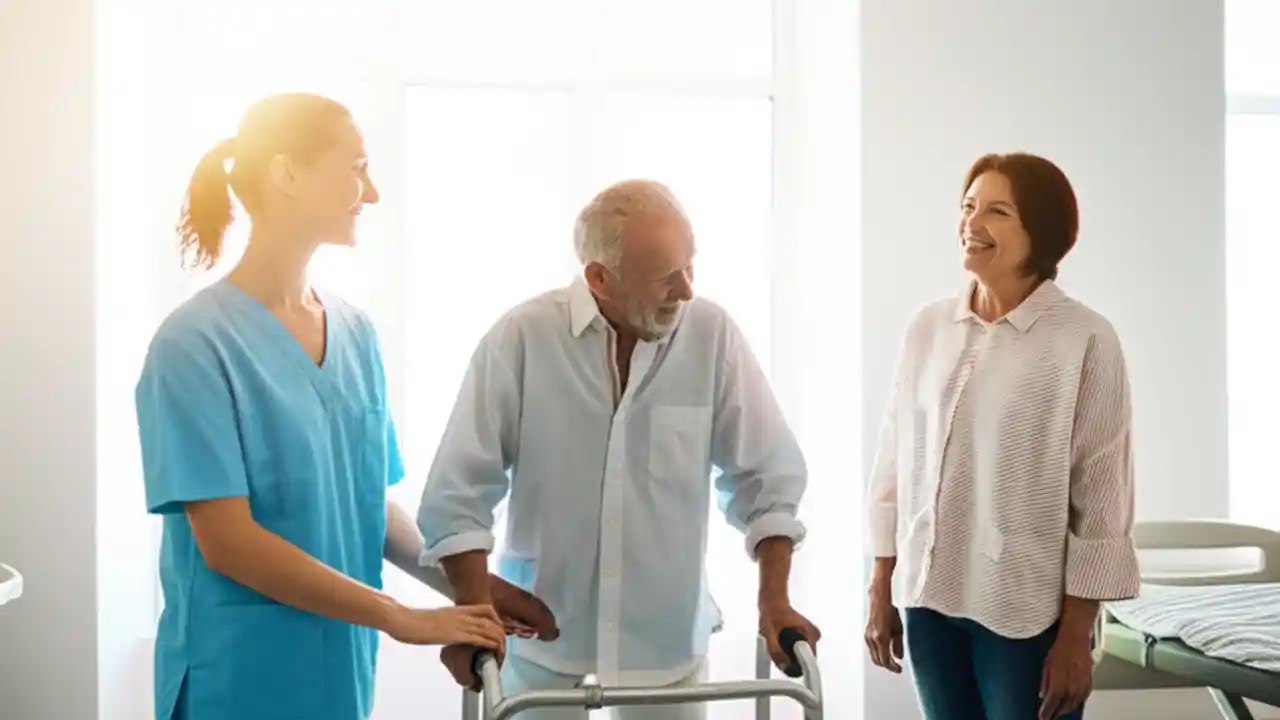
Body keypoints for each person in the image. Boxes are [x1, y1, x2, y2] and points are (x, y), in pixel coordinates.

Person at [135, 93, 556, 720]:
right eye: (358, 168)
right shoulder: (193, 346)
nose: (373, 192)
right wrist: (401, 617)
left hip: (339, 673)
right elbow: (228, 542)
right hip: (238, 676)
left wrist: (473, 589)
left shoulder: (355, 333)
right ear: (286, 174)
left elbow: (366, 506)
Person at [415, 179, 821, 720]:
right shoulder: (523, 337)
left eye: (689, 267)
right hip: (541, 641)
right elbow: (458, 492)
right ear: (599, 279)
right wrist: (474, 612)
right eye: (665, 277)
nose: (686, 290)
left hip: (665, 643)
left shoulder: (712, 335)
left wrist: (774, 600)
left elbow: (767, 477)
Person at [862, 152, 1142, 720]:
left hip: (1025, 613)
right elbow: (894, 461)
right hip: (927, 600)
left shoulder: (1085, 338)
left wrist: (1077, 635)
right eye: (968, 207)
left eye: (997, 211)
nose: (972, 223)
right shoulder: (928, 327)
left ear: (1041, 230)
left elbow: (1101, 498)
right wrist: (881, 583)